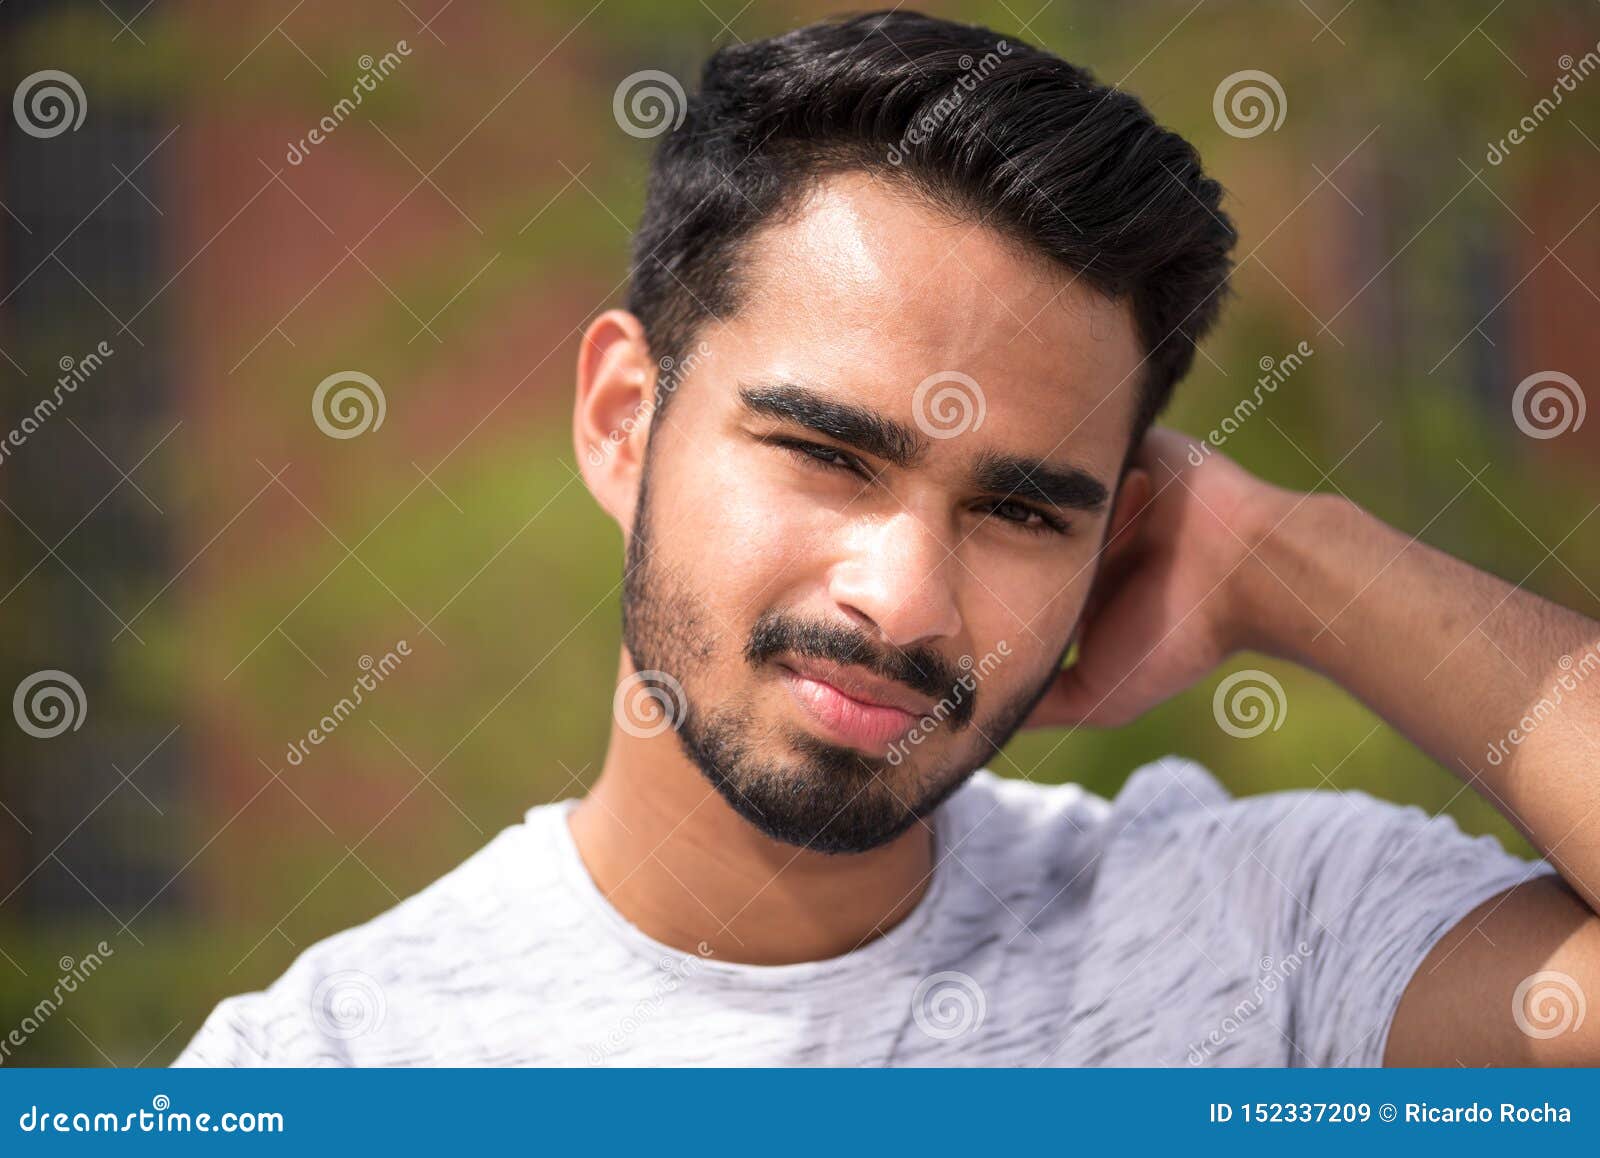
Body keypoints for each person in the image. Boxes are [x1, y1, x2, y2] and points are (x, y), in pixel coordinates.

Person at [176, 9, 1599, 1067]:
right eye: (826, 453)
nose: (905, 600)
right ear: (623, 420)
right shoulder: (327, 1067)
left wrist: (1289, 559)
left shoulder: (1256, 937)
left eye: (1021, 511)